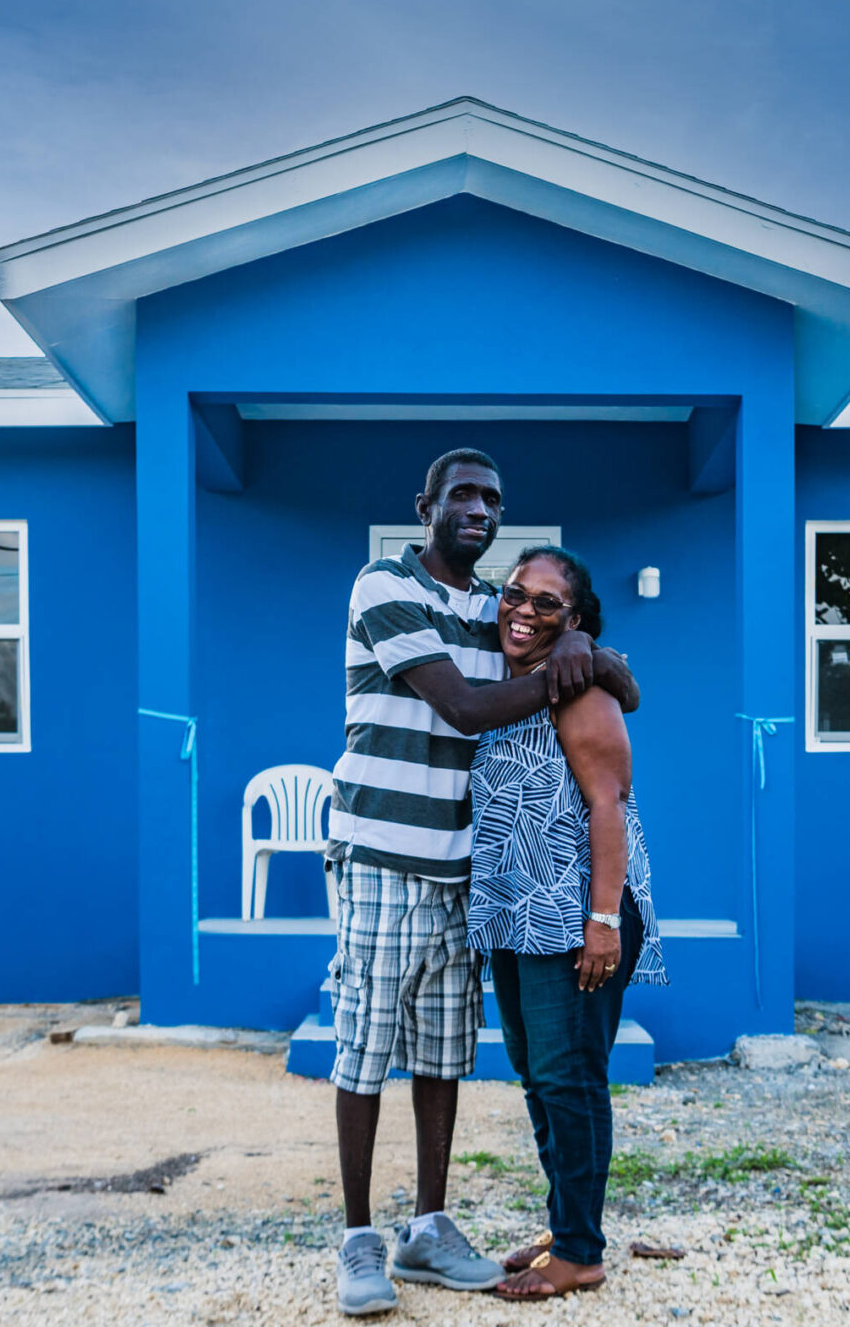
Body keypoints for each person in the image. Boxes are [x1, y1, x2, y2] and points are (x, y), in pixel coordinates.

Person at [326, 449, 638, 1318]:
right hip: (385, 856)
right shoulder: (383, 586)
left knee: (440, 1053)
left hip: (468, 876)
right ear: (423, 504)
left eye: (493, 499)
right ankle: (359, 1243)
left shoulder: (488, 612)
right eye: (462, 494)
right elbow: (464, 708)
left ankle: (428, 1229)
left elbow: (613, 694)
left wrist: (581, 643)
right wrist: (574, 651)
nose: (478, 509)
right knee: (363, 1047)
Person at [465, 546, 666, 1303]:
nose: (521, 610)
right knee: (537, 1075)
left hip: (579, 915)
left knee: (570, 1078)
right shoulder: (511, 680)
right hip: (521, 915)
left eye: (546, 604)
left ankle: (581, 1251)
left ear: (574, 621)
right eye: (514, 593)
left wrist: (603, 922)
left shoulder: (581, 690)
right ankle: (564, 1223)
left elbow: (607, 806)